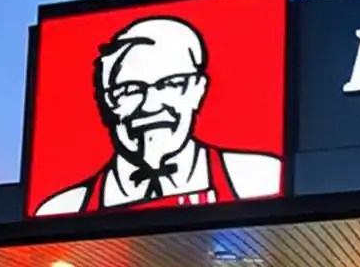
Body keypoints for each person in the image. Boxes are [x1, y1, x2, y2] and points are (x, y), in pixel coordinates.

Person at [32, 16, 281, 216]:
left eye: (170, 84)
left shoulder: (259, 179)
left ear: (198, 90)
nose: (150, 105)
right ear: (109, 100)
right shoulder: (63, 209)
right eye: (130, 89)